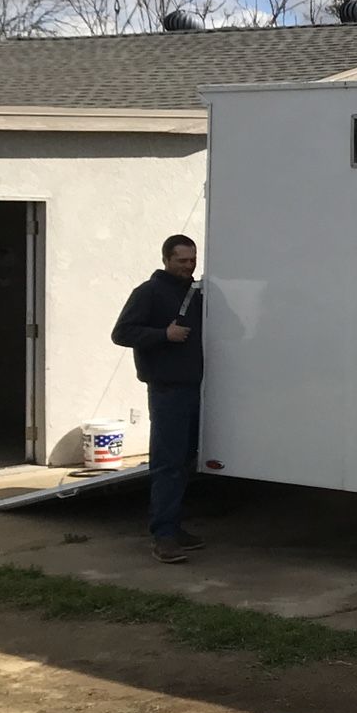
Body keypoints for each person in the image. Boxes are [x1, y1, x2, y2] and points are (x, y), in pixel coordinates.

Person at [111, 235, 207, 563]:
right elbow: (121, 333)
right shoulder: (148, 292)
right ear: (166, 259)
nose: (189, 266)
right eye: (182, 260)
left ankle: (173, 528)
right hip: (168, 391)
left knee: (183, 463)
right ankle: (163, 536)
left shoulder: (195, 294)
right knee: (168, 464)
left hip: (196, 390)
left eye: (192, 260)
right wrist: (163, 335)